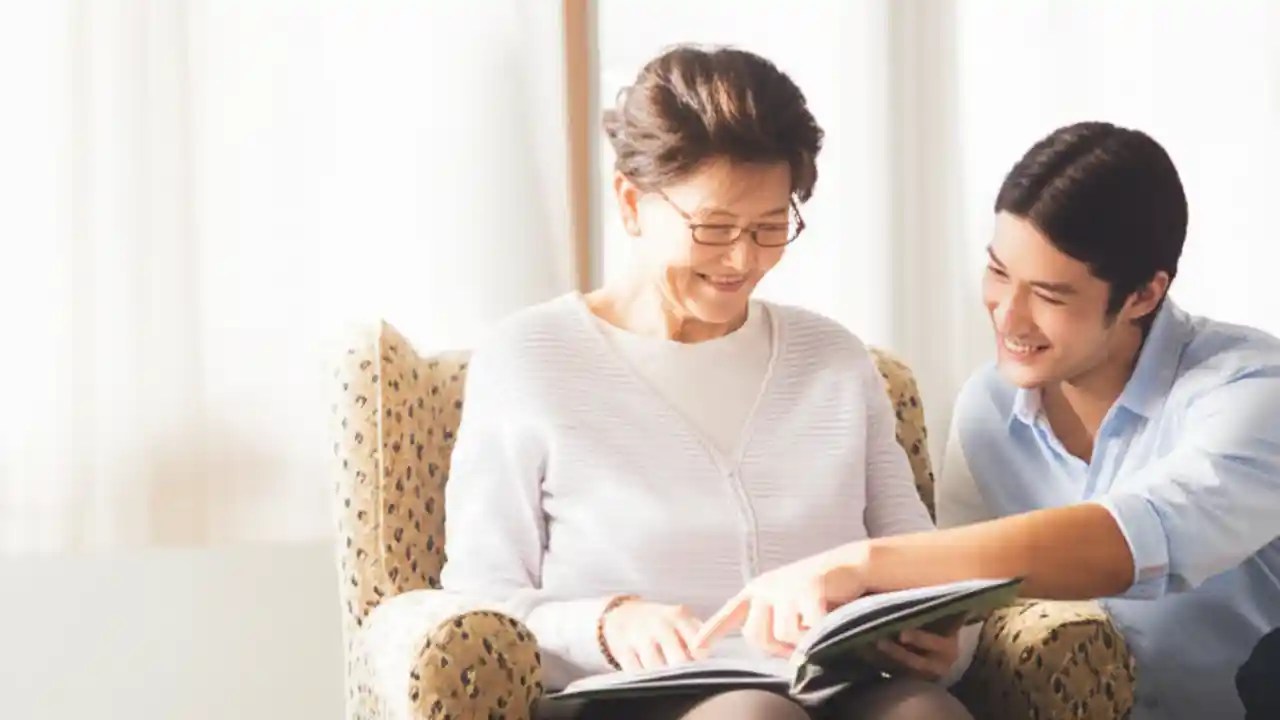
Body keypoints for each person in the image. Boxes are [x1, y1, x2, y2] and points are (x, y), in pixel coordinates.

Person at [439, 45, 974, 720]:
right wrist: (606, 621)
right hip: (633, 699)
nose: (743, 260)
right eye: (714, 227)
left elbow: (922, 564)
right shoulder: (529, 358)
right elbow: (480, 602)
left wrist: (943, 638)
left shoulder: (834, 360)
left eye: (771, 226)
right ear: (631, 203)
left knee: (927, 715)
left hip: (836, 688)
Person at [695, 122, 1280, 720]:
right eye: (999, 274)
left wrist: (860, 563)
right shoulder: (991, 408)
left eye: (1050, 296)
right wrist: (939, 638)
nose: (1010, 318)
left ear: (1143, 295)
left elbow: (1133, 537)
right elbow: (970, 589)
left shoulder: (1252, 391)